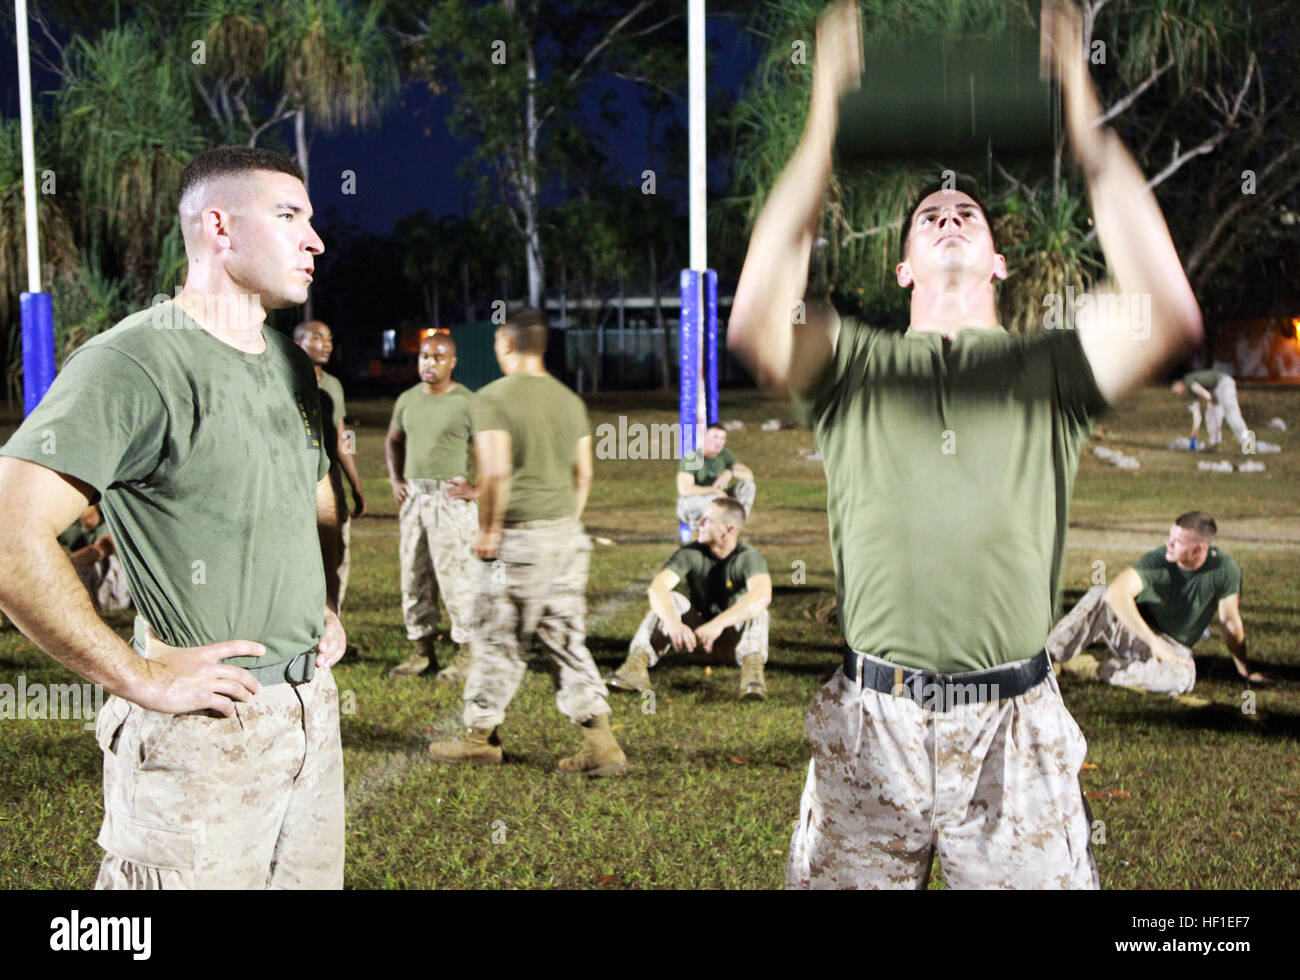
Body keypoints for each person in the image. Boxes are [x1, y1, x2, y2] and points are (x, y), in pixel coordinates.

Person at [726, 0, 1203, 889]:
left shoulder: (1050, 369)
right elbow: (756, 316)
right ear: (903, 267)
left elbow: (1167, 310)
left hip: (1014, 736)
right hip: (872, 730)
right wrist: (825, 119)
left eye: (969, 214)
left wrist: (1081, 116)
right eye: (930, 216)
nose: (949, 217)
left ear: (999, 263)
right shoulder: (853, 365)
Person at [0, 145, 347, 889]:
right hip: (203, 737)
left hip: (310, 713)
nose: (315, 240)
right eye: (289, 216)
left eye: (311, 219)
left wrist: (318, 604)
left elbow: (306, 496)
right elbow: (9, 537)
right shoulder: (133, 362)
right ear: (219, 227)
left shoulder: (290, 365)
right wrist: (140, 679)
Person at [426, 307, 627, 777]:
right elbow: (584, 473)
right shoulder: (569, 400)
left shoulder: (492, 398)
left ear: (507, 344)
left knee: (495, 636)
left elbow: (495, 471)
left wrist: (489, 530)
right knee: (564, 638)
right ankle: (601, 742)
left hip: (515, 542)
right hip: (565, 537)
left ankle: (479, 738)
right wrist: (565, 523)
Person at [1047, 512, 1269, 693]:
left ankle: (1100, 670)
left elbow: (1230, 623)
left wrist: (1245, 670)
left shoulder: (1225, 569)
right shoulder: (1159, 560)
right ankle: (1046, 660)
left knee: (1182, 679)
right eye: (1170, 537)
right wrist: (1154, 643)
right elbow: (1115, 594)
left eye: (1178, 541)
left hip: (1175, 648)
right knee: (1101, 593)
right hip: (1136, 632)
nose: (1169, 544)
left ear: (1200, 549)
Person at [609, 497, 772, 700]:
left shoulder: (749, 557)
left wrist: (718, 624)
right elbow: (657, 588)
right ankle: (634, 667)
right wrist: (673, 623)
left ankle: (752, 679)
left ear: (728, 530)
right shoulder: (690, 552)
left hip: (734, 647)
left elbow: (762, 595)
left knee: (758, 610)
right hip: (694, 642)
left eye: (707, 520)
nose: (698, 523)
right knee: (672, 598)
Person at [385, 332, 478, 681]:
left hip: (449, 500)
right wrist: (396, 480)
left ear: (452, 362)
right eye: (425, 356)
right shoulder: (408, 399)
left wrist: (478, 487)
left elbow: (494, 447)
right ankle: (422, 651)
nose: (429, 363)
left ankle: (468, 653)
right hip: (415, 499)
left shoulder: (467, 402)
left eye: (438, 357)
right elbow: (393, 440)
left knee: (457, 579)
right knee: (414, 576)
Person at [295, 320, 367, 609]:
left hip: (329, 477)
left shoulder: (333, 385)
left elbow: (342, 436)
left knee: (336, 551)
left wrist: (355, 485)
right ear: (297, 343)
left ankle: (332, 620)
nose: (326, 344)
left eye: (329, 338)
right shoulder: (283, 378)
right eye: (317, 337)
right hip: (297, 479)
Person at [676, 424, 756, 538]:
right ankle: (700, 536)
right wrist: (713, 491)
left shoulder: (725, 455)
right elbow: (685, 490)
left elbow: (749, 475)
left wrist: (731, 472)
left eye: (722, 438)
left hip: (719, 498)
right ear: (705, 437)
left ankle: (736, 526)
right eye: (715, 437)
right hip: (698, 501)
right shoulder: (693, 457)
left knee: (748, 486)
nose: (719, 442)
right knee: (696, 503)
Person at [59, 504, 131, 613]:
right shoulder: (69, 529)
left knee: (102, 561)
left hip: (113, 588)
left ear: (96, 505)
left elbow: (99, 551)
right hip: (85, 580)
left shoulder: (110, 523)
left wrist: (65, 562)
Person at [1171, 368, 1254, 451]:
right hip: (1217, 390)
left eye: (1175, 392)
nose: (1177, 394)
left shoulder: (1187, 380)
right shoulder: (1191, 393)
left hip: (1223, 383)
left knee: (1232, 415)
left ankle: (1248, 444)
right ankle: (1215, 444)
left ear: (1178, 384)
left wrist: (1209, 397)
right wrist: (1194, 432)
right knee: (1211, 415)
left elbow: (1197, 388)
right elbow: (1197, 413)